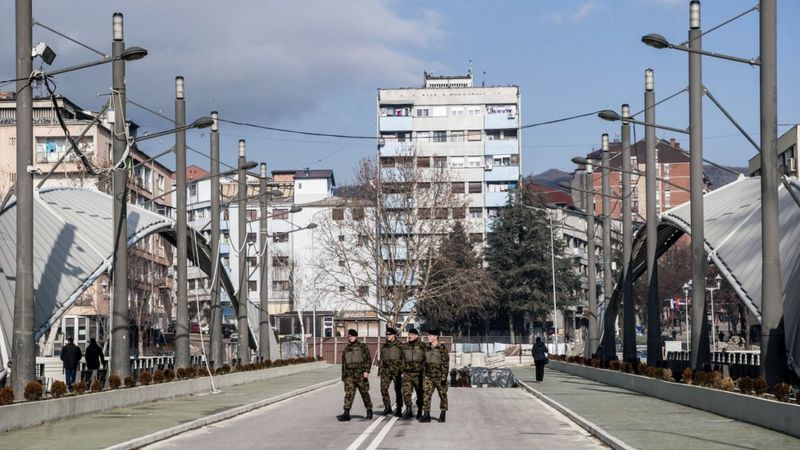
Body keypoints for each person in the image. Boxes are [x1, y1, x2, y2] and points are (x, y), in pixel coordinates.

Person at [337, 329, 373, 421]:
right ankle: (346, 413)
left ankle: (369, 410)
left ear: (355, 337)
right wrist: (343, 376)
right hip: (349, 375)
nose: (350, 338)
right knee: (349, 394)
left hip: (360, 375)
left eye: (351, 336)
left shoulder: (362, 347)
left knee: (364, 393)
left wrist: (366, 371)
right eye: (349, 337)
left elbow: (368, 359)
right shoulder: (346, 349)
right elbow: (344, 364)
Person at [420, 329, 449, 423]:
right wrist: (423, 374)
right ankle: (426, 414)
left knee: (442, 395)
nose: (428, 337)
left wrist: (444, 376)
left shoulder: (442, 348)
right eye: (428, 335)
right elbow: (423, 362)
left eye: (430, 335)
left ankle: (443, 413)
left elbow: (445, 363)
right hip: (428, 376)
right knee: (426, 395)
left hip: (439, 376)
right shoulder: (426, 348)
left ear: (435, 337)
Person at [401, 328, 428, 420]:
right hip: (407, 373)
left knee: (420, 393)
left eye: (412, 334)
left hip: (419, 374)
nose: (410, 336)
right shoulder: (405, 346)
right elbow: (402, 359)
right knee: (406, 392)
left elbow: (426, 360)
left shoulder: (423, 346)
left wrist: (424, 372)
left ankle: (420, 410)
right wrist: (402, 371)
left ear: (417, 335)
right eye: (409, 334)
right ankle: (408, 410)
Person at [378, 327, 404, 416]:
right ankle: (387, 407)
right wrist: (380, 371)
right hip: (386, 371)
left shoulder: (400, 345)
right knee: (383, 389)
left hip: (397, 371)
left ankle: (399, 408)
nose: (387, 336)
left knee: (398, 390)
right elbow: (381, 359)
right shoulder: (384, 346)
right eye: (387, 334)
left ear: (394, 335)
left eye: (389, 334)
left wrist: (403, 371)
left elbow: (404, 358)